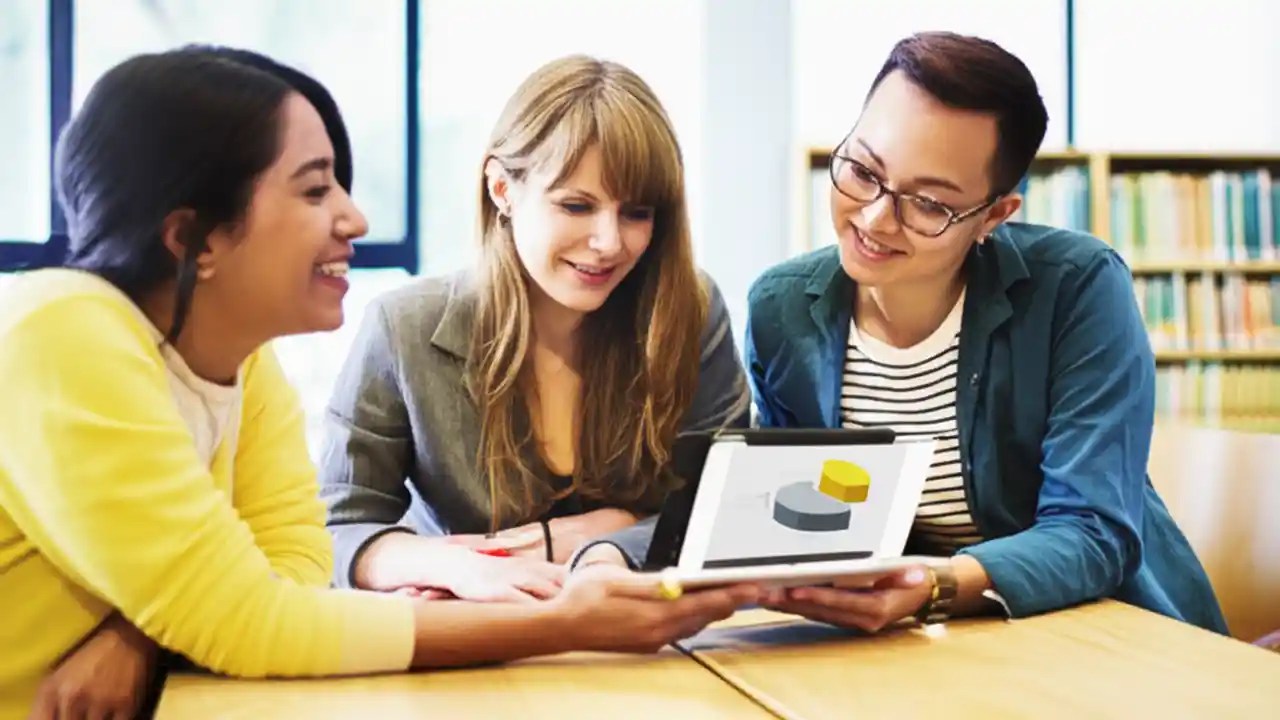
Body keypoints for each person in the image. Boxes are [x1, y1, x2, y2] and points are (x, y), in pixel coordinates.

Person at [0, 47, 759, 720]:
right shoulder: (62, 329)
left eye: (637, 211)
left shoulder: (240, 361)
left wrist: (145, 630)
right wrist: (569, 619)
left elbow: (281, 571)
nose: (356, 219)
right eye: (314, 189)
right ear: (195, 238)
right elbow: (264, 604)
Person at [575, 31, 1227, 636]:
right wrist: (622, 552)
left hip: (1100, 632)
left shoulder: (1078, 289)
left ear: (994, 215)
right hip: (908, 643)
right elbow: (779, 515)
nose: (876, 218)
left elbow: (1093, 531)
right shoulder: (783, 308)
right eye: (862, 169)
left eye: (929, 203)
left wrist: (934, 586)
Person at [318, 53, 752, 603]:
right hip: (468, 646)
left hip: (647, 645)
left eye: (636, 213)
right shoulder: (403, 327)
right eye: (576, 205)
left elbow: (724, 502)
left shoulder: (688, 310)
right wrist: (451, 565)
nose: (610, 242)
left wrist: (600, 548)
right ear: (502, 189)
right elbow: (334, 527)